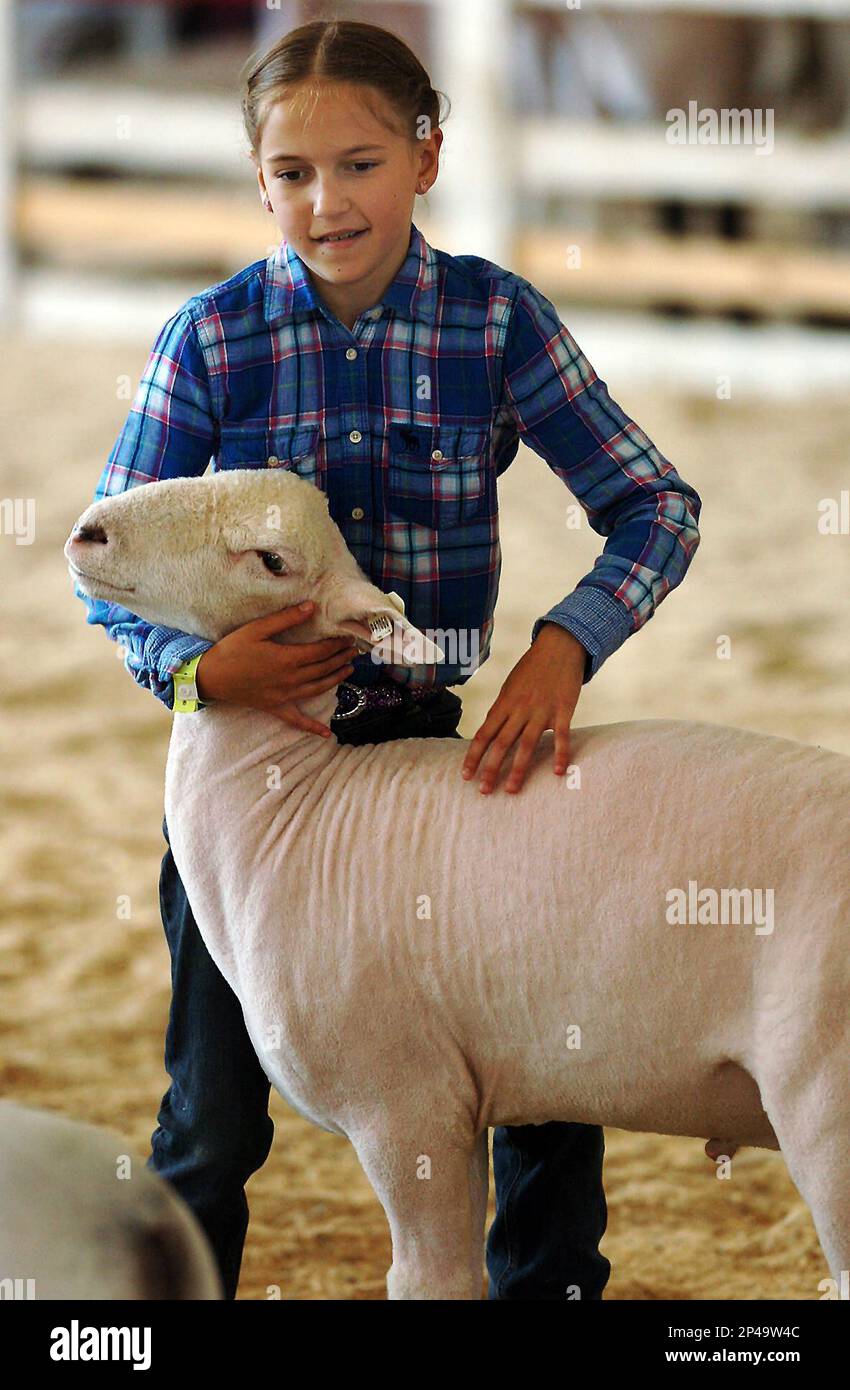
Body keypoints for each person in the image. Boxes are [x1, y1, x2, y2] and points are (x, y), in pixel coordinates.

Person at [74, 18, 702, 1300]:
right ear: (258, 180)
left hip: (429, 758)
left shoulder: (493, 322)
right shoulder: (210, 338)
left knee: (535, 1070)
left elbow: (655, 503)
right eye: (292, 172)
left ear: (425, 156)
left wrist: (563, 649)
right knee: (211, 1108)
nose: (326, 200)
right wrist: (199, 677)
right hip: (244, 776)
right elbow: (100, 554)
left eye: (358, 163)